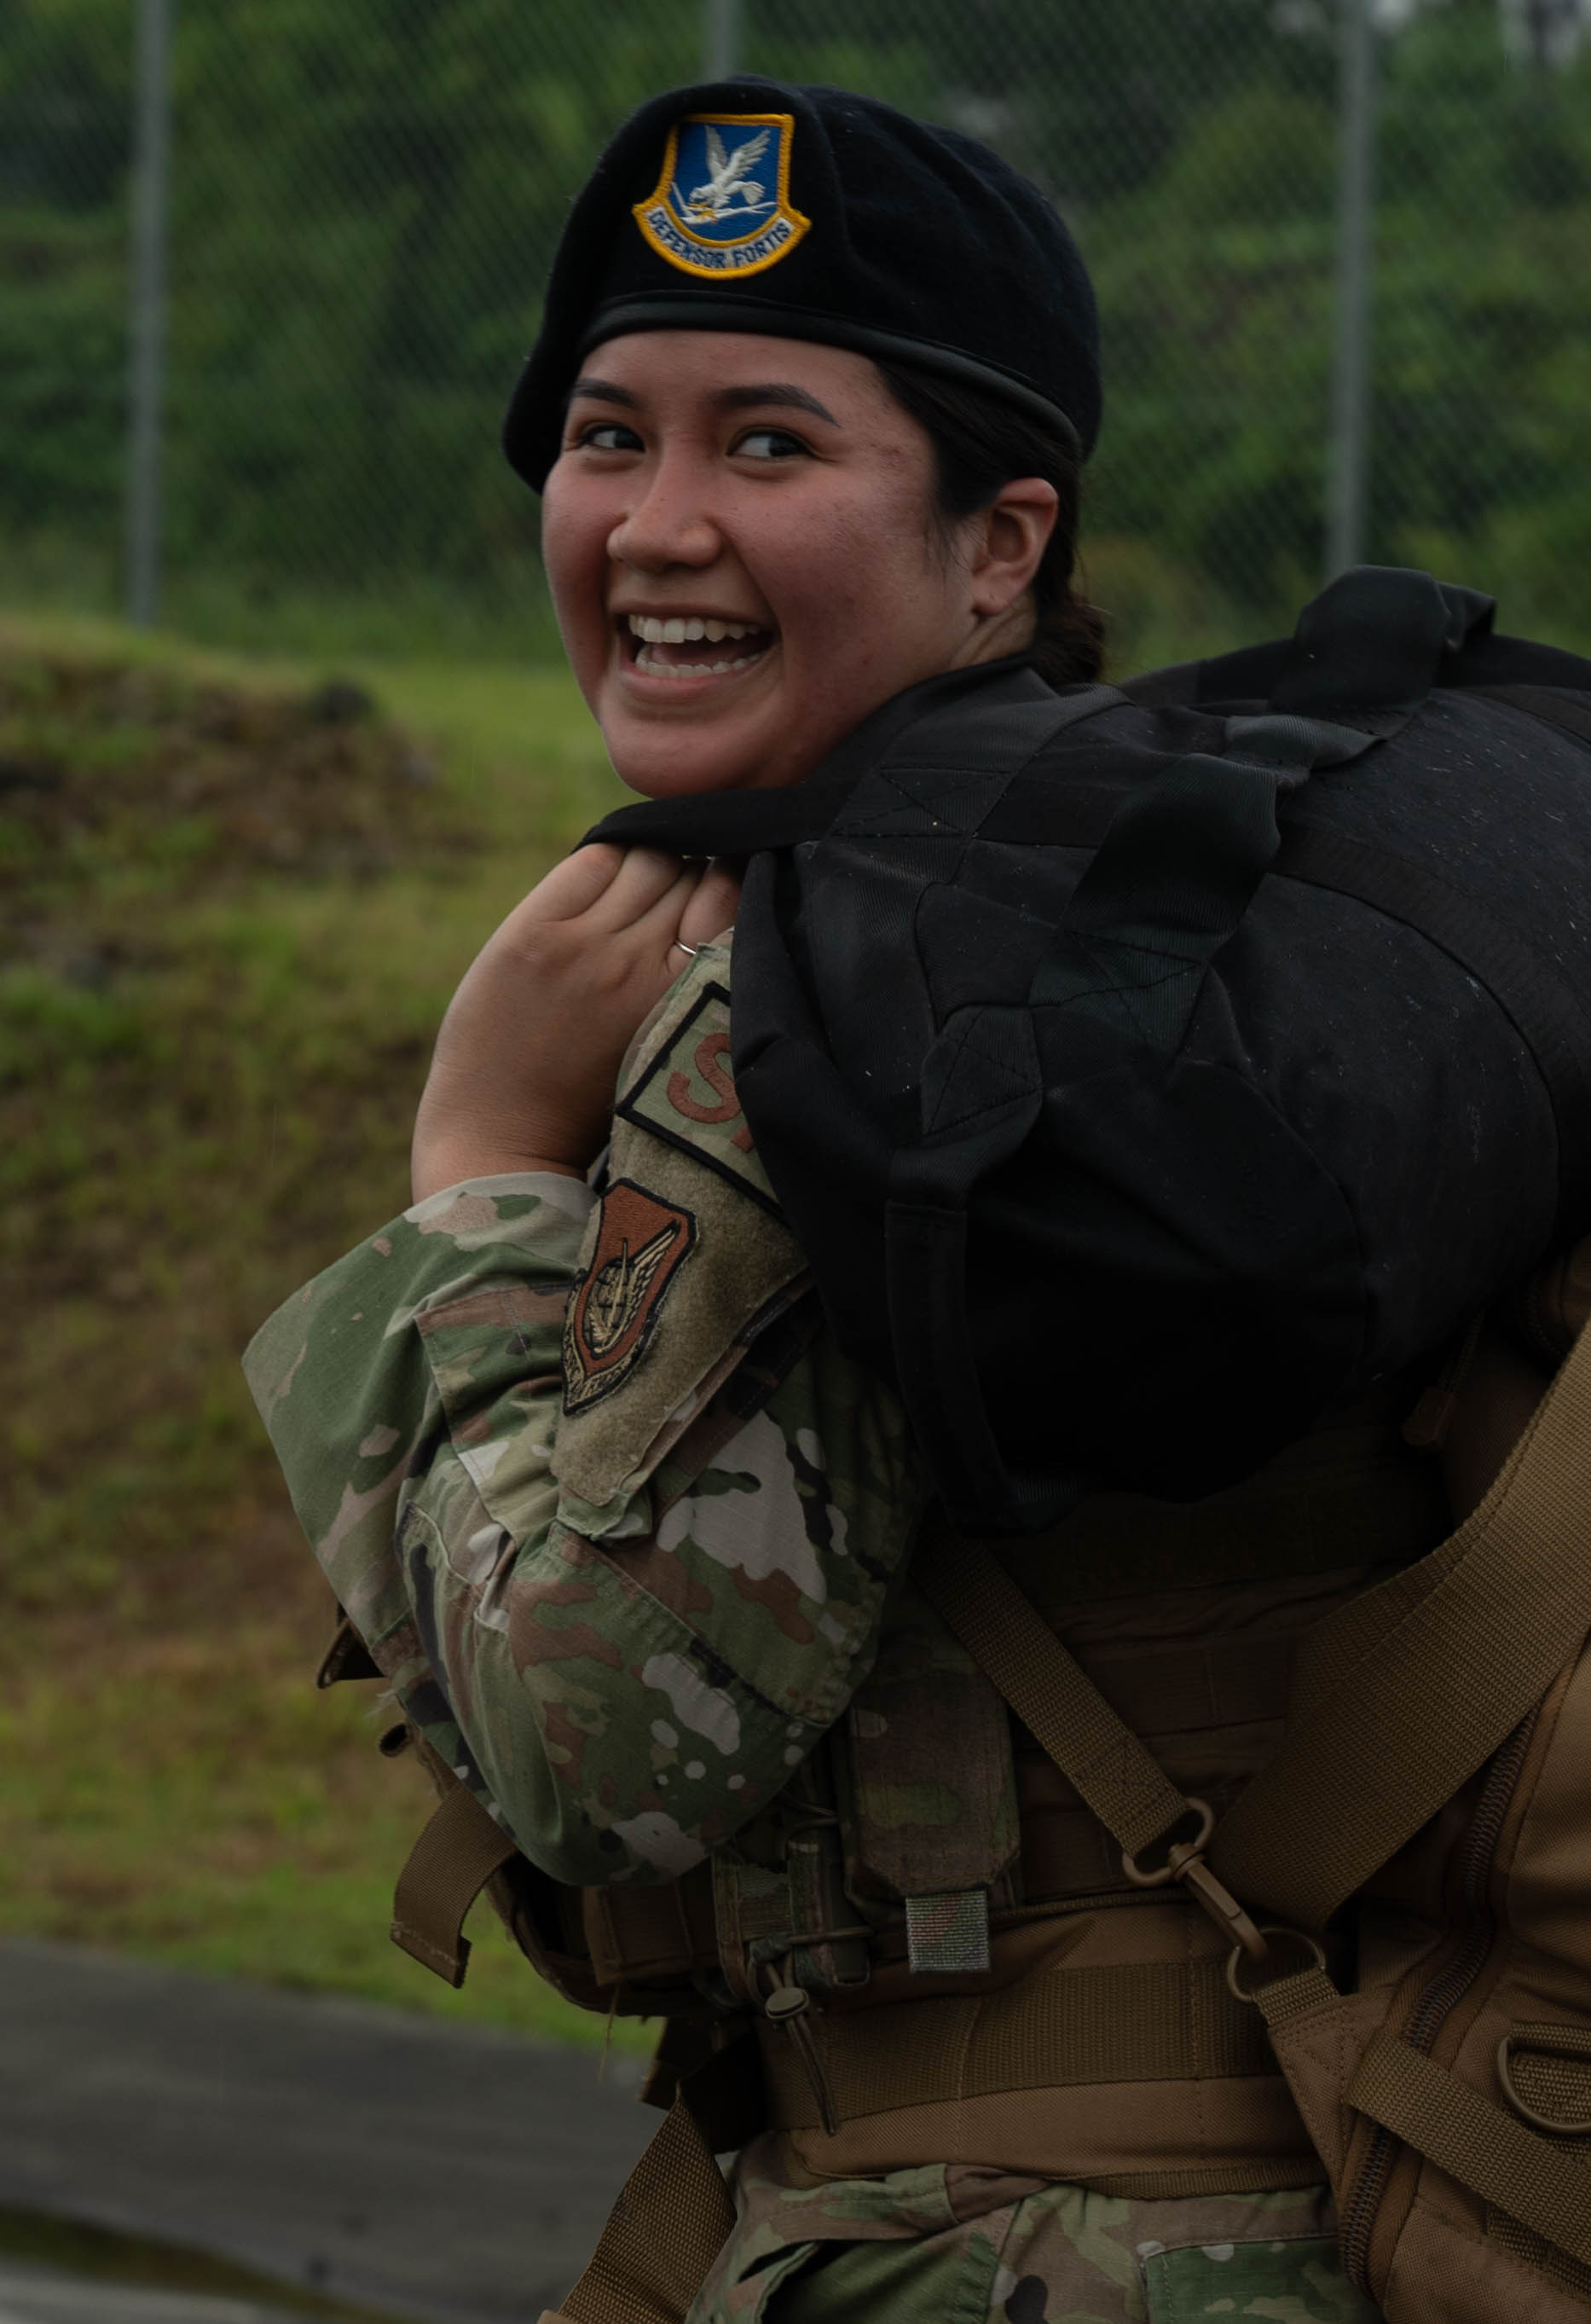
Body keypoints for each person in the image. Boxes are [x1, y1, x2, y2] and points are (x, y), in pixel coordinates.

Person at [244, 80, 1397, 2324]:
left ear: (1001, 548)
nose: (660, 526)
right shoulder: (1149, 882)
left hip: (1020, 2251)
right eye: (609, 437)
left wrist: (477, 1162)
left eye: (770, 446)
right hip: (1283, 2195)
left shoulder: (848, 994)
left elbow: (609, 1750)